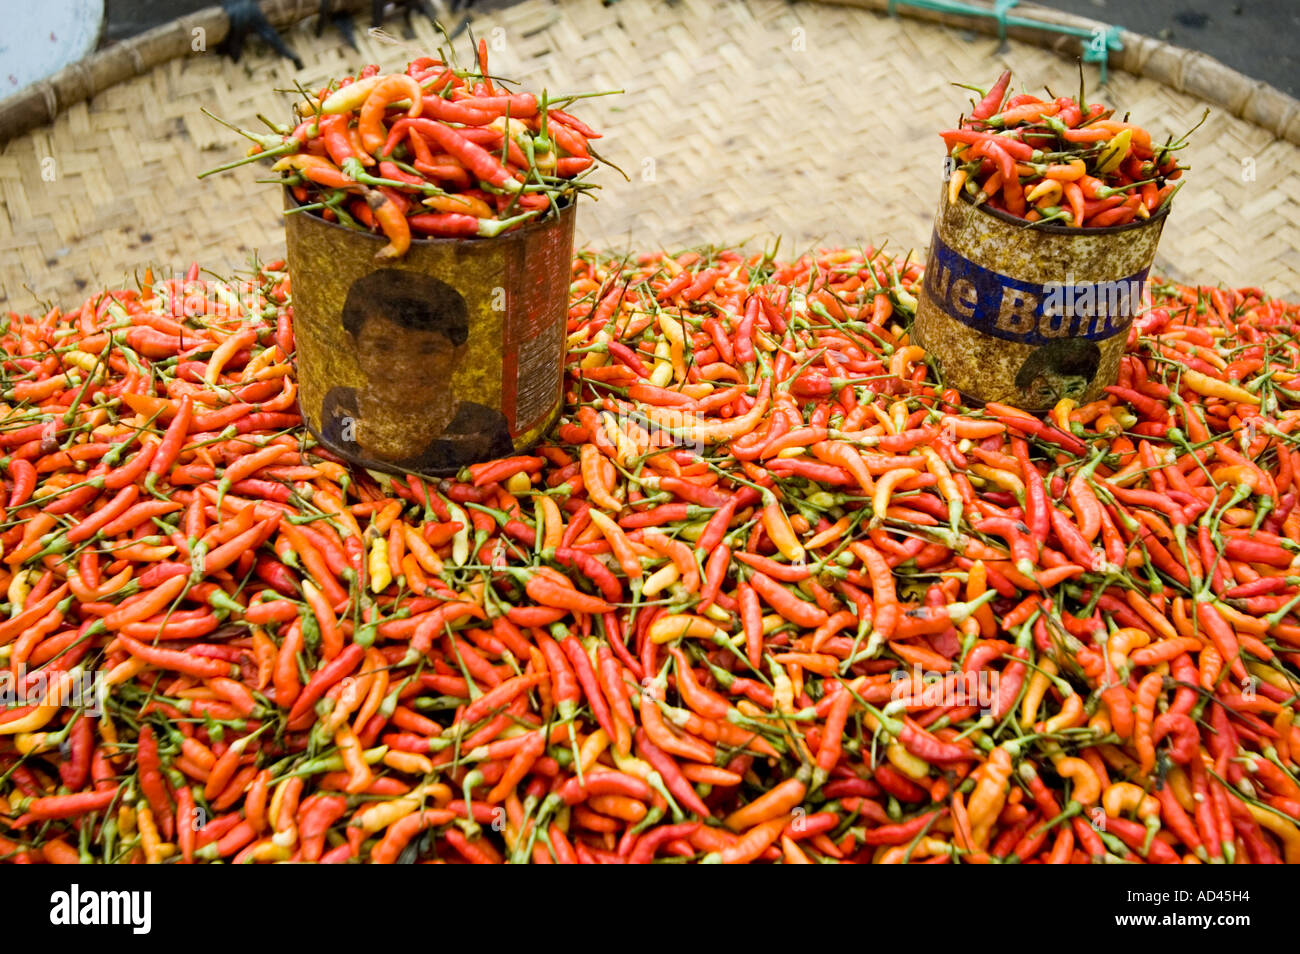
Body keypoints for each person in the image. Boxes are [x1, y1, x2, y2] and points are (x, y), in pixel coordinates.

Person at [319, 268, 513, 472]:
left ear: (458, 355)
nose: (405, 368)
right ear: (353, 346)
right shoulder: (341, 405)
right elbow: (334, 463)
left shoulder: (483, 428)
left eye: (429, 350)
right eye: (382, 347)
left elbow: (498, 479)